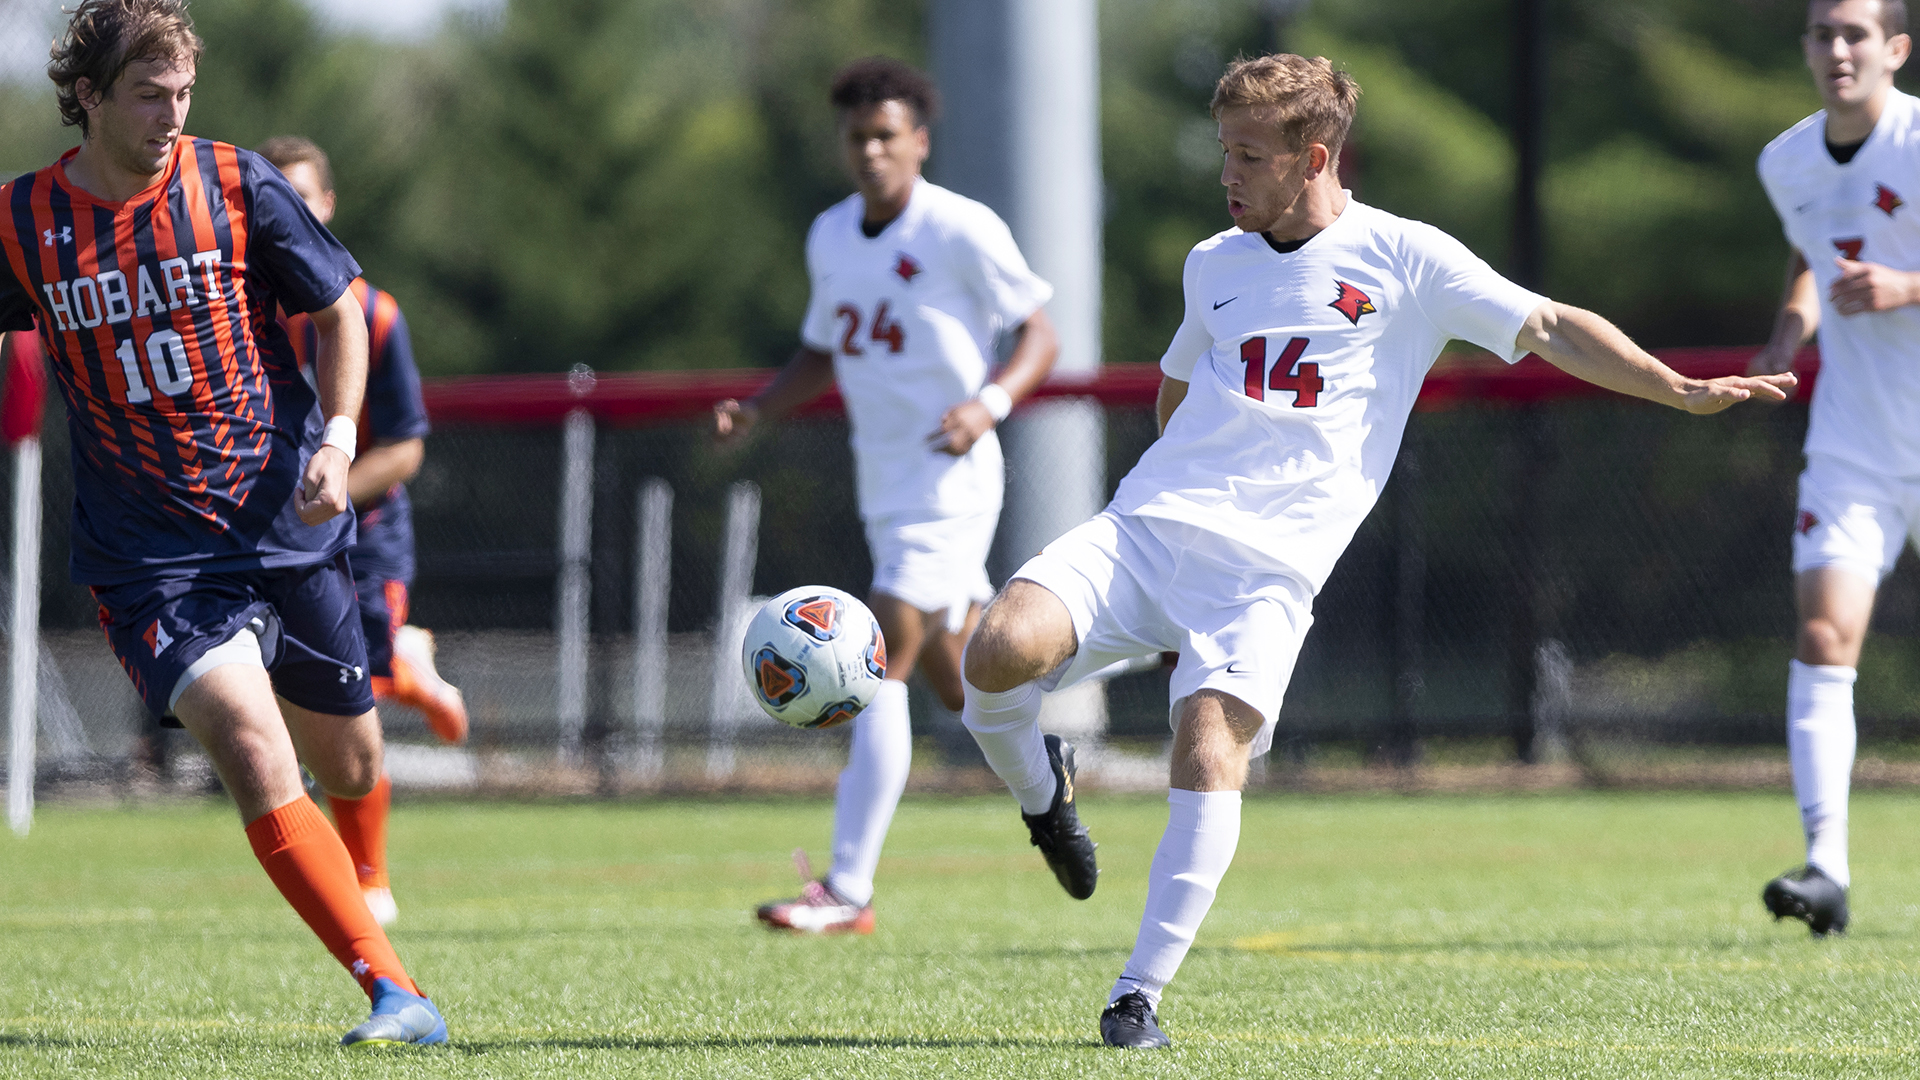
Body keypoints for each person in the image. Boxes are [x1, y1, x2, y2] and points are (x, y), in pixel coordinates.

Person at [959, 54, 1796, 1049]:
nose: (1225, 173)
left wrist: (1678, 388)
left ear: (1313, 157)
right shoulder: (1212, 262)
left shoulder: (1406, 259)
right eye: (1222, 150)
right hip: (1146, 530)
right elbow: (1180, 385)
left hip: (1266, 573)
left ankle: (1136, 995)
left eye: (1245, 155)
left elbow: (1551, 324)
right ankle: (1044, 798)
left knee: (1209, 748)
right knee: (995, 651)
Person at [0, 0, 445, 1047]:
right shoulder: (21, 224)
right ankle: (396, 994)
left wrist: (337, 439)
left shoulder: (239, 185)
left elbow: (340, 309)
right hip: (149, 558)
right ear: (90, 96)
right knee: (249, 743)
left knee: (352, 768)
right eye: (147, 93)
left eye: (182, 91)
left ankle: (367, 845)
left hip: (282, 524)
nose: (170, 112)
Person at [713, 56, 1059, 934]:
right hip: (885, 483)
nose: (870, 153)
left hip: (952, 474)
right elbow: (824, 352)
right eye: (857, 138)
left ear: (919, 142)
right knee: (971, 679)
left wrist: (988, 404)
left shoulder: (958, 228)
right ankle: (1094, 702)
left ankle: (847, 889)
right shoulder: (830, 235)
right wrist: (758, 409)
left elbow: (1040, 333)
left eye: (886, 137)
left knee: (875, 655)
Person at [259, 134, 470, 928]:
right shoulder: (238, 314)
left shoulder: (372, 316)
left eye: (305, 197)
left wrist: (335, 482)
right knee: (293, 699)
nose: (293, 212)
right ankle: (407, 668)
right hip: (272, 534)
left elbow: (407, 446)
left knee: (350, 700)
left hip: (366, 531)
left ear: (329, 207)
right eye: (276, 196)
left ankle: (370, 877)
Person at [1748, 0, 1919, 937]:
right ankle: (1828, 869)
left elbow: (1883, 270)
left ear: (1896, 48)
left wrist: (1907, 286)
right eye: (1823, 34)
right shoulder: (1787, 160)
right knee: (1823, 638)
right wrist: (1787, 334)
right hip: (1854, 440)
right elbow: (1810, 256)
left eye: (1857, 33)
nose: (1838, 49)